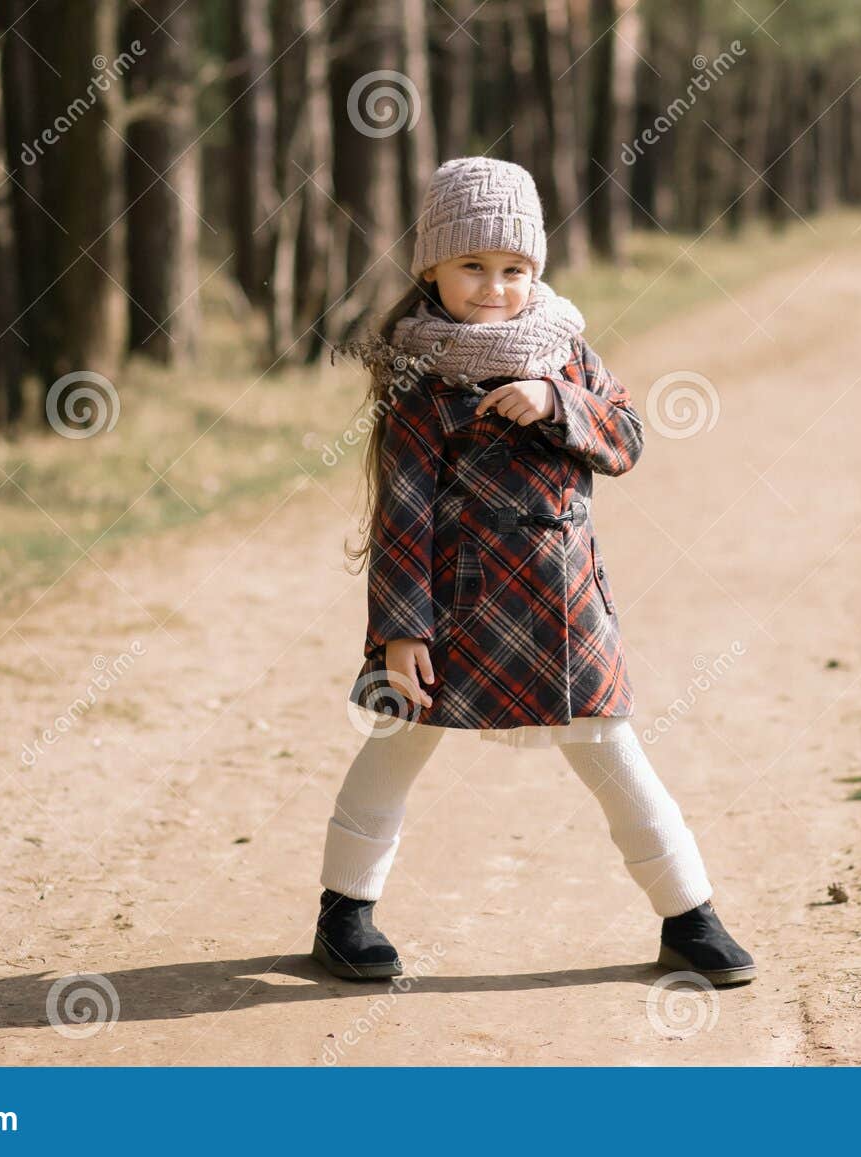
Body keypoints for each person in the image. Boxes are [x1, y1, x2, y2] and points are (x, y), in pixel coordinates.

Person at [315, 156, 755, 988]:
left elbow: (627, 439)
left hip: (563, 603)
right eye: (472, 266)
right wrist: (400, 631)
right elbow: (402, 513)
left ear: (537, 271)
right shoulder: (421, 379)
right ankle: (345, 912)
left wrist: (560, 403)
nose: (494, 286)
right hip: (456, 608)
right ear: (431, 268)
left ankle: (689, 915)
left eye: (514, 269)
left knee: (615, 753)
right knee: (395, 745)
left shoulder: (567, 351)